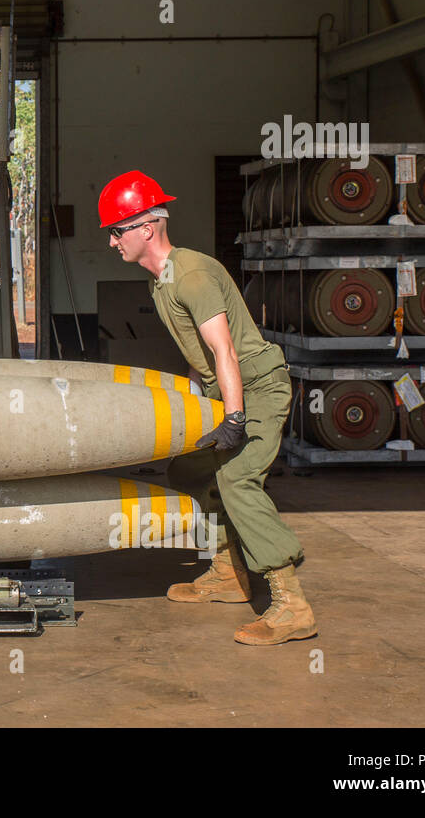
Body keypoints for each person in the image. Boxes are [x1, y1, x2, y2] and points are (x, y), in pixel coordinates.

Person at [99, 170, 316, 645]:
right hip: (228, 391)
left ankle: (291, 605)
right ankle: (230, 572)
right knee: (189, 472)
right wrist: (197, 406)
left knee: (237, 480)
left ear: (145, 228)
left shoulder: (191, 275)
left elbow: (225, 352)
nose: (112, 242)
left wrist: (235, 419)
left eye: (116, 231)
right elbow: (201, 358)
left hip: (258, 389)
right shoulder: (163, 282)